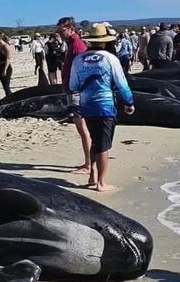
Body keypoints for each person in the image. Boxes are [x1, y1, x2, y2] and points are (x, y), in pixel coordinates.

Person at [69, 24, 135, 192]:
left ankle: (92, 175)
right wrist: (129, 102)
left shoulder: (79, 60)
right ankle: (101, 182)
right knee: (104, 144)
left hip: (86, 105)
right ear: (105, 41)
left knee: (94, 140)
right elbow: (122, 83)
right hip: (105, 105)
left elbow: (73, 85)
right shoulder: (110, 58)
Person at [57, 16, 94, 174]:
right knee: (81, 128)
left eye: (63, 30)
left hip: (77, 91)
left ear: (71, 29)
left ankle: (89, 164)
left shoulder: (77, 45)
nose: (61, 33)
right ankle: (88, 161)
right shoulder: (71, 44)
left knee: (83, 127)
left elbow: (83, 69)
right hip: (73, 90)